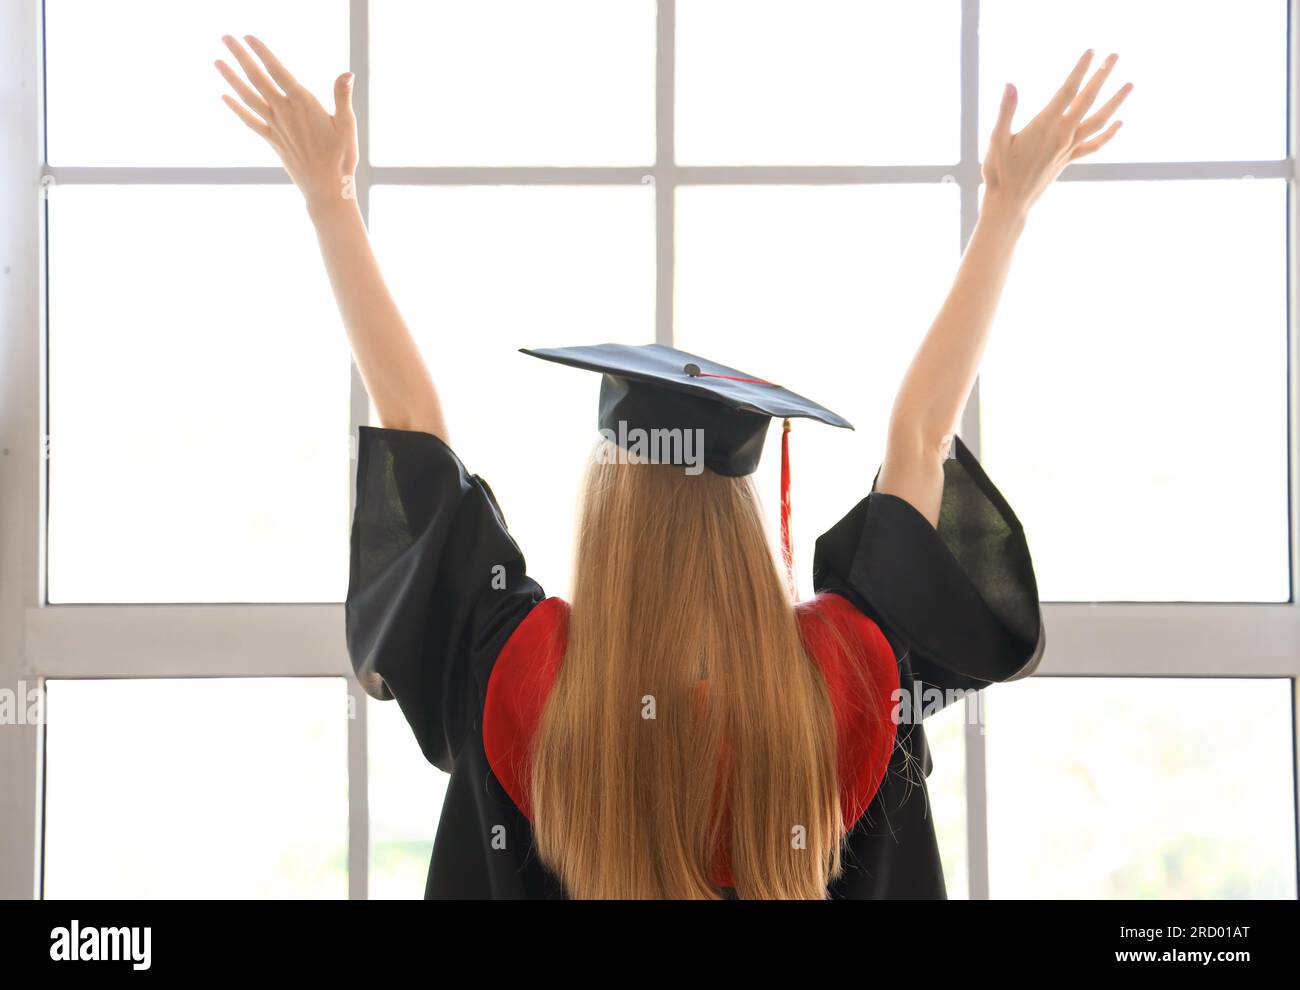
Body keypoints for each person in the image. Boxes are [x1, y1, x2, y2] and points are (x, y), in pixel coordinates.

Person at [216, 37, 1132, 899]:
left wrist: (328, 197)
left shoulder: (525, 676)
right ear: (739, 523)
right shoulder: (844, 680)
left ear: (608, 518)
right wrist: (1008, 206)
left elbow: (414, 429)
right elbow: (921, 435)